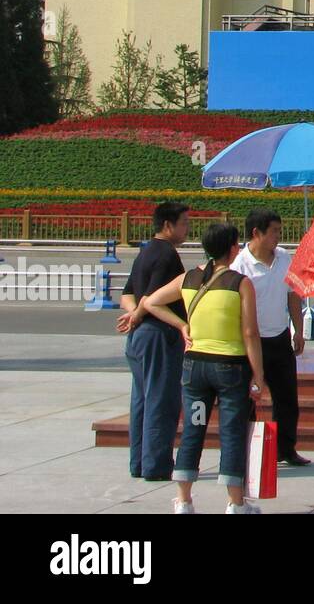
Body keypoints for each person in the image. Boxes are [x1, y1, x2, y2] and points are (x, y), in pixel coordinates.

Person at [144, 222, 267, 514]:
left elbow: (151, 302)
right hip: (230, 369)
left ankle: (183, 501)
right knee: (232, 433)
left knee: (193, 429)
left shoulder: (189, 278)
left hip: (195, 368)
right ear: (233, 248)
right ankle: (236, 504)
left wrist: (183, 325)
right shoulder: (240, 283)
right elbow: (250, 333)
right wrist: (259, 375)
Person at [230, 208, 310, 468]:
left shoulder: (285, 258)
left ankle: (286, 449)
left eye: (279, 230)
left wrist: (298, 329)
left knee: (287, 398)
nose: (279, 235)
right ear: (256, 233)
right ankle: (247, 452)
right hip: (252, 342)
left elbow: (293, 295)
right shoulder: (239, 265)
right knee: (248, 399)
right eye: (274, 231)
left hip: (279, 337)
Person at [117, 201, 190, 482]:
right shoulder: (166, 255)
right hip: (158, 334)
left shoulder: (145, 252)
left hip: (139, 338)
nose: (187, 229)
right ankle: (157, 465)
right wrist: (137, 316)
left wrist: (132, 315)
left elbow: (128, 294)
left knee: (142, 400)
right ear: (168, 225)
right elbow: (152, 297)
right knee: (161, 401)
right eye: (184, 223)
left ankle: (138, 462)